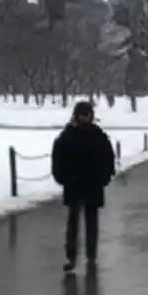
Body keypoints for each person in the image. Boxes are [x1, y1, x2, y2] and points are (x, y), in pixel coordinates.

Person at [51, 101, 117, 273]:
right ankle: (71, 257)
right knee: (73, 223)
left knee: (91, 223)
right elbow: (58, 159)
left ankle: (91, 255)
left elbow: (108, 157)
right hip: (74, 185)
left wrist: (105, 177)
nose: (83, 118)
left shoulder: (98, 135)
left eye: (86, 115)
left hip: (93, 185)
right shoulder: (67, 136)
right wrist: (62, 178)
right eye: (81, 115)